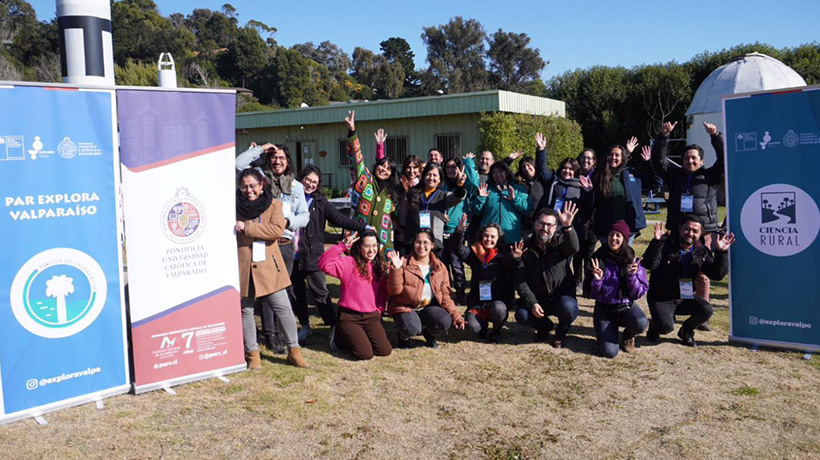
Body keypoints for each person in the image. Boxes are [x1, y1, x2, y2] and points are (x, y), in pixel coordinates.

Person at [235, 142, 310, 351]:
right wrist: (260, 149)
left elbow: (304, 215)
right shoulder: (261, 179)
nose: (278, 161)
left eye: (282, 158)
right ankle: (271, 335)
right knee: (262, 295)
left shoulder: (296, 187)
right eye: (274, 157)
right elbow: (238, 164)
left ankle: (286, 339)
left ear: (288, 162)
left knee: (278, 295)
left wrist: (287, 223)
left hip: (283, 242)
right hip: (256, 242)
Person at [650, 121, 725, 310]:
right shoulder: (675, 176)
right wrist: (663, 137)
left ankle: (702, 312)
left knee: (701, 273)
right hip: (677, 229)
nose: (690, 161)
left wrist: (715, 136)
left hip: (703, 231)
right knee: (671, 268)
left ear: (701, 161)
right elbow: (658, 161)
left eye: (694, 158)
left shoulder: (711, 176)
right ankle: (671, 306)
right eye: (686, 158)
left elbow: (724, 159)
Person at [292, 165, 368, 345]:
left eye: (314, 182)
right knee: (297, 293)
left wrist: (362, 227)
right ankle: (305, 325)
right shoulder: (292, 197)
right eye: (307, 180)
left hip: (312, 254)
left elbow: (339, 218)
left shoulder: (319, 201)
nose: (310, 184)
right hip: (292, 254)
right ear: (301, 179)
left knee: (320, 292)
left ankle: (333, 325)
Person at [642, 217, 735, 347]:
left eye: (695, 231)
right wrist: (657, 242)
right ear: (680, 228)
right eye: (687, 229)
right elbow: (649, 264)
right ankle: (655, 326)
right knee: (666, 328)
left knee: (706, 310)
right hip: (661, 297)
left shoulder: (701, 250)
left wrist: (722, 252)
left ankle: (686, 331)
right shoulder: (665, 243)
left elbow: (717, 274)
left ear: (701, 233)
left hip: (684, 296)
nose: (690, 233)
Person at [318, 230, 393, 360]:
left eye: (374, 246)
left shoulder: (379, 267)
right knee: (365, 354)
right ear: (359, 247)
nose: (371, 250)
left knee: (384, 350)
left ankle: (356, 336)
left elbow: (382, 291)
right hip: (349, 316)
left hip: (371, 316)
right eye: (367, 246)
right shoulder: (348, 263)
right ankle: (338, 337)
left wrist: (379, 309)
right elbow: (323, 264)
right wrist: (341, 246)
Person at [387, 230, 467, 348]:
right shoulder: (403, 263)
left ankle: (429, 334)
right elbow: (393, 291)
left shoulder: (440, 267)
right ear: (413, 244)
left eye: (426, 243)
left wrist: (456, 315)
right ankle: (403, 337)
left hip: (427, 307)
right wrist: (396, 270)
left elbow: (445, 296)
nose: (422, 246)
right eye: (418, 242)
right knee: (412, 328)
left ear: (432, 245)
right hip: (405, 307)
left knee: (444, 320)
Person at [514, 204, 580, 348]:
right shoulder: (524, 247)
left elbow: (574, 247)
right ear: (536, 224)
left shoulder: (561, 242)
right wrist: (532, 303)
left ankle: (562, 330)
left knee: (568, 308)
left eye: (550, 225)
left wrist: (568, 227)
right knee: (522, 315)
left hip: (561, 296)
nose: (545, 228)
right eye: (542, 224)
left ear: (555, 228)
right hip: (539, 298)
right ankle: (544, 326)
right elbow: (521, 281)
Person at [451, 215, 522, 342]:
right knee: (472, 328)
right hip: (477, 302)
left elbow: (508, 263)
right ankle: (482, 326)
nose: (488, 239)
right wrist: (459, 232)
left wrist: (514, 257)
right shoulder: (474, 254)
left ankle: (496, 330)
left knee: (499, 309)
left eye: (493, 236)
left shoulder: (502, 255)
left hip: (497, 302)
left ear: (498, 238)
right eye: (486, 235)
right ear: (481, 236)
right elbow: (458, 249)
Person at [585, 220, 649, 358]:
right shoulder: (597, 259)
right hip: (604, 310)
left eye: (618, 235)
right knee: (610, 352)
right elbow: (592, 293)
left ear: (625, 239)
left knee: (641, 323)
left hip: (625, 307)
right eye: (611, 234)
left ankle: (628, 335)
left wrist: (631, 276)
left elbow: (638, 293)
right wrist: (597, 280)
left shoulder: (632, 260)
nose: (614, 238)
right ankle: (607, 333)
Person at [344, 111, 401, 258]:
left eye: (389, 169)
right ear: (376, 166)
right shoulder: (364, 178)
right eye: (382, 166)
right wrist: (352, 133)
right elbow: (356, 158)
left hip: (382, 243)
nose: (384, 169)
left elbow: (390, 222)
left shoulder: (391, 192)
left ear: (392, 173)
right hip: (358, 237)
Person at [589, 137, 660, 244]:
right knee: (608, 258)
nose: (613, 157)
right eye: (611, 155)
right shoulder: (599, 175)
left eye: (617, 155)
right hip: (606, 226)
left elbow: (656, 183)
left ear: (623, 158)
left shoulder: (632, 174)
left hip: (627, 226)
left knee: (624, 258)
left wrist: (648, 162)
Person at [399, 162, 467, 253]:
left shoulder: (443, 196)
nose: (431, 178)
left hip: (434, 243)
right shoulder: (412, 193)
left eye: (435, 175)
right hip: (413, 241)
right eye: (428, 174)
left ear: (440, 179)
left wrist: (460, 186)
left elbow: (458, 197)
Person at [440, 153, 479, 305]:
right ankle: (446, 294)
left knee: (457, 265)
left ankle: (461, 294)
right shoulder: (442, 185)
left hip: (457, 231)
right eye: (448, 167)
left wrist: (468, 162)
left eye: (453, 167)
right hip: (442, 230)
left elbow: (475, 183)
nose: (450, 169)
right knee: (443, 266)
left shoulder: (465, 185)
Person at [472, 161, 533, 245]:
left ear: (506, 172)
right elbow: (476, 211)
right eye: (494, 172)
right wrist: (481, 198)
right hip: (489, 238)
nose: (497, 175)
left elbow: (528, 208)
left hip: (511, 237)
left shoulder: (518, 188)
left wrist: (514, 199)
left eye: (500, 171)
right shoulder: (486, 188)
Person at [573, 148, 598, 290]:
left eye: (589, 158)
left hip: (592, 222)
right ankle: (578, 280)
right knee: (577, 253)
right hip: (576, 220)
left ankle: (588, 282)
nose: (586, 160)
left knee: (589, 254)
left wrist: (590, 192)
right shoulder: (574, 174)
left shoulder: (597, 177)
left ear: (594, 161)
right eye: (583, 157)